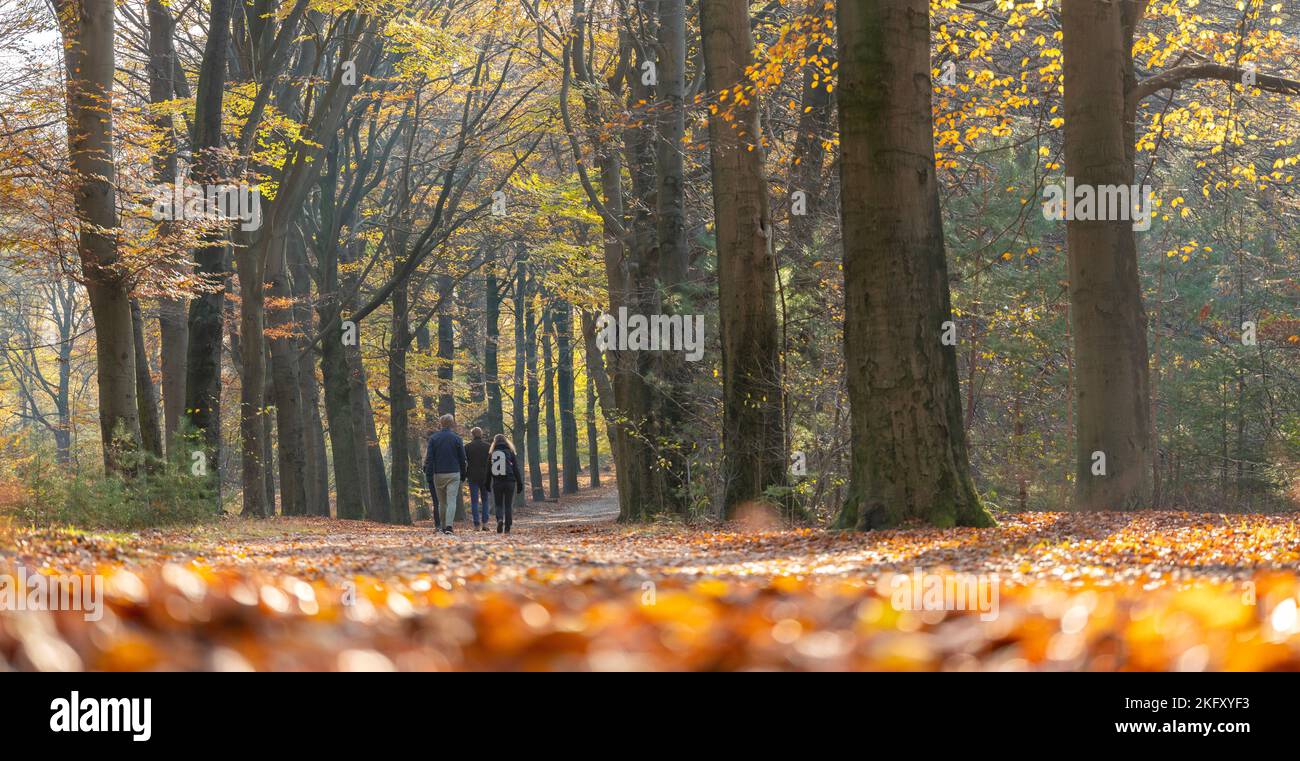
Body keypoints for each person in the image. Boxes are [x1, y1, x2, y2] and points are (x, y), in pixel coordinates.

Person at [423, 414, 467, 534]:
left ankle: (442, 526)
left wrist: (429, 473)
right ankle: (449, 526)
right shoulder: (457, 439)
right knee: (451, 500)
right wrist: (463, 474)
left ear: (440, 423)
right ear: (452, 424)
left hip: (438, 474)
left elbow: (430, 458)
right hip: (454, 473)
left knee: (442, 502)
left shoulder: (434, 438)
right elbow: (463, 458)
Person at [488, 434, 524, 534]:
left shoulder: (492, 452)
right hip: (510, 481)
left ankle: (499, 519)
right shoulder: (510, 452)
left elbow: (488, 470)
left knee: (498, 504)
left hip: (497, 482)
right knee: (508, 505)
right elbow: (515, 468)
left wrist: (487, 484)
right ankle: (507, 527)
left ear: (494, 442)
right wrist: (520, 483)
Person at [464, 427, 492, 531]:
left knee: (474, 501)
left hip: (472, 476)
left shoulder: (467, 447)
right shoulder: (488, 446)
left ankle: (476, 525)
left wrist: (464, 474)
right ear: (481, 434)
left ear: (472, 435)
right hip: (485, 476)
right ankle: (485, 524)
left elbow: (464, 462)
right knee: (485, 500)